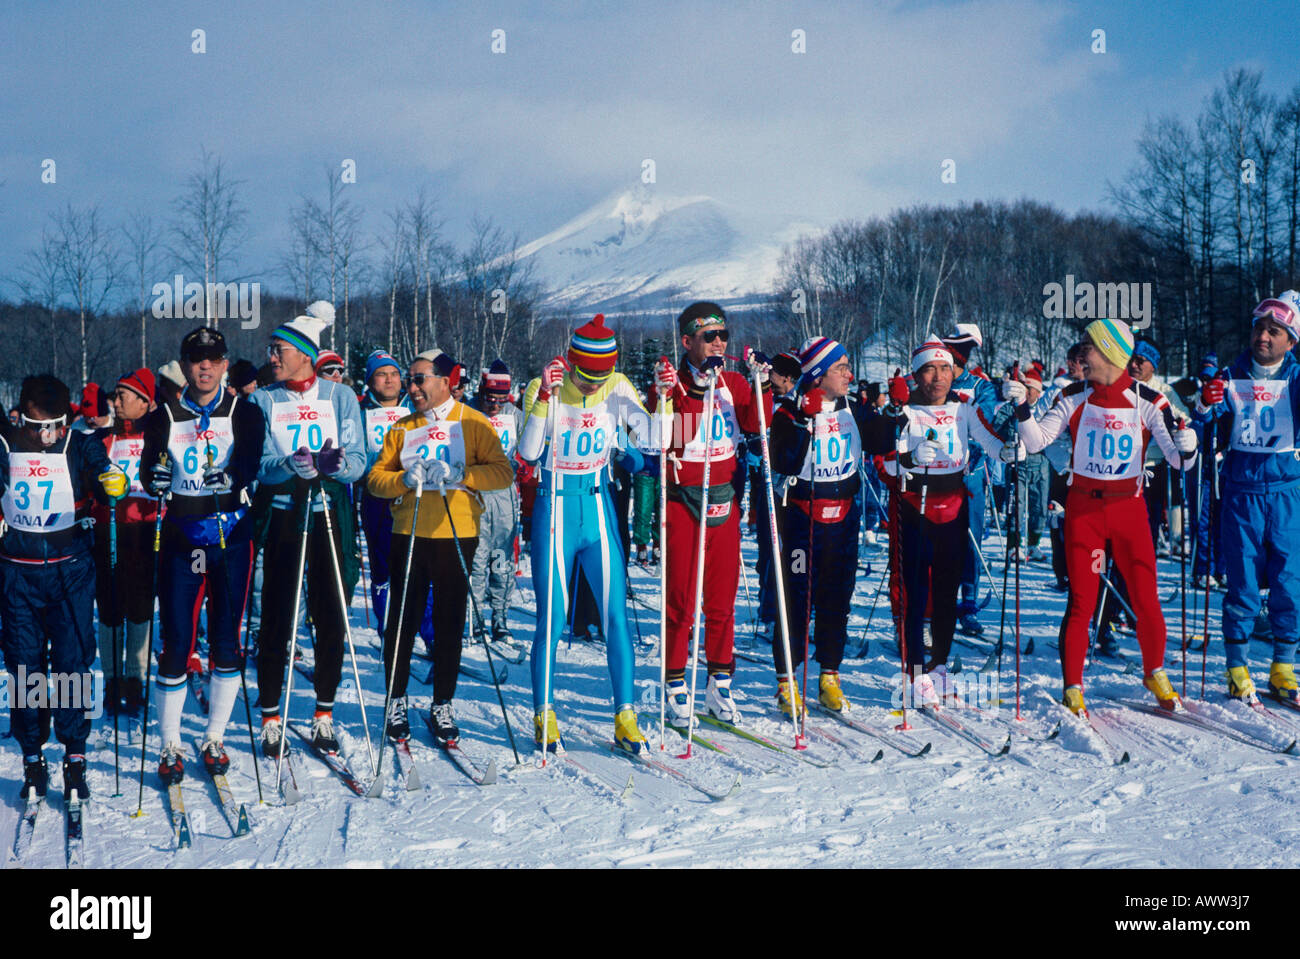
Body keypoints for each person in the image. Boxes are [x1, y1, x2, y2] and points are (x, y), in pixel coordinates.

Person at [1009, 318, 1198, 716]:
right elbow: (1036, 441)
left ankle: (1154, 670)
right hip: (1086, 510)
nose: (1081, 355)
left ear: (1111, 354)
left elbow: (1180, 462)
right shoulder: (1075, 395)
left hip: (1128, 510)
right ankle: (1073, 684)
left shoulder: (1149, 399)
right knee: (1082, 601)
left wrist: (1190, 445)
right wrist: (1022, 409)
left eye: (1088, 348)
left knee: (1146, 598)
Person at [519, 314, 654, 752]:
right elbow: (528, 452)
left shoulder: (618, 385)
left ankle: (625, 717)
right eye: (586, 374)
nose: (594, 383)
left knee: (616, 617)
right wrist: (544, 398)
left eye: (602, 374)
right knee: (553, 620)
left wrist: (665, 399)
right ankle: (544, 713)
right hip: (555, 507)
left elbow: (653, 436)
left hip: (598, 507)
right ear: (572, 362)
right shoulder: (547, 385)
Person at [367, 353, 513, 742]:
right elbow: (375, 480)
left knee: (449, 623)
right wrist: (402, 479)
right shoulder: (402, 427)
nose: (411, 388)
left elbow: (502, 471)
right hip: (409, 533)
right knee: (403, 621)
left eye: (419, 380)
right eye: (409, 381)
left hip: (457, 532)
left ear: (445, 381)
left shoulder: (473, 422)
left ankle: (442, 703)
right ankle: (395, 700)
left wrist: (462, 474)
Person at [139, 327, 265, 781]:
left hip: (231, 537)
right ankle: (170, 743)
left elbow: (251, 463)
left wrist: (231, 477)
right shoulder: (164, 415)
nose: (205, 367)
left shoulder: (245, 412)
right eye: (196, 360)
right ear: (185, 365)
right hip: (182, 538)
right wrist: (153, 478)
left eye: (213, 359)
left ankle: (215, 737)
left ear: (226, 364)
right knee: (176, 643)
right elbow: (150, 466)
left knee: (228, 643)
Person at [250, 301, 367, 757]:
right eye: (270, 350)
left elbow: (358, 461)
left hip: (326, 516)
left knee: (330, 614)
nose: (272, 357)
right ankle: (271, 717)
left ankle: (323, 713)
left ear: (304, 354)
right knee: (277, 617)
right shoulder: (263, 400)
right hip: (282, 517)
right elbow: (260, 466)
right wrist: (289, 464)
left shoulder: (340, 397)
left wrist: (336, 466)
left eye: (279, 350)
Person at [1, 374, 125, 805]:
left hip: (70, 571)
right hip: (19, 574)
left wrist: (112, 480)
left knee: (72, 664)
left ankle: (74, 757)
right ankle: (33, 759)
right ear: (21, 416)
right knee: (24, 667)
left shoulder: (77, 443)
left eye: (56, 425)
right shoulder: (8, 443)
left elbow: (104, 468)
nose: (48, 435)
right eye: (38, 427)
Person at [868, 341, 1015, 702]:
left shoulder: (964, 408)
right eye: (929, 370)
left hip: (953, 505)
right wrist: (908, 458)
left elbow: (993, 444)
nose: (938, 377)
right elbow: (882, 463)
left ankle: (939, 666)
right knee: (914, 593)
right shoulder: (902, 411)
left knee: (947, 593)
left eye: (945, 369)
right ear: (916, 375)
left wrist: (1012, 449)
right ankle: (915, 670)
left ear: (954, 372)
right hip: (914, 505)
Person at [649, 302, 772, 725]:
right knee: (681, 602)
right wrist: (694, 389)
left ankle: (720, 685)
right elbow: (675, 442)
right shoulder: (675, 385)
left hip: (725, 498)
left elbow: (758, 424)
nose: (719, 343)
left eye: (723, 335)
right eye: (709, 337)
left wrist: (763, 385)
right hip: (683, 500)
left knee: (721, 601)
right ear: (688, 342)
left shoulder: (735, 382)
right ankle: (675, 684)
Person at [1195, 291, 1300, 703]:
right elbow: (1206, 417)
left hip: (1287, 491)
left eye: (1275, 332)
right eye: (1260, 328)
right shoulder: (1230, 373)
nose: (1264, 337)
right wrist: (1205, 402)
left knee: (1289, 582)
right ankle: (1237, 669)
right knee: (1241, 584)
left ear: (1291, 340)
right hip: (1242, 492)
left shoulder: (1296, 377)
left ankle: (1283, 668)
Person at [768, 337, 872, 712]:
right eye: (840, 368)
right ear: (816, 375)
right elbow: (785, 462)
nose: (849, 373)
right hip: (802, 519)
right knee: (796, 599)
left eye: (847, 365)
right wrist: (804, 420)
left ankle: (829, 674)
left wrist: (894, 409)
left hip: (843, 518)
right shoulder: (787, 413)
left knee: (836, 598)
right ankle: (786, 680)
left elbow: (883, 438)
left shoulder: (853, 407)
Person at [90, 368, 159, 732]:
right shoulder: (102, 439)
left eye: (123, 396)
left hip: (146, 532)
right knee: (109, 605)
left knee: (140, 605)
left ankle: (135, 677)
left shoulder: (157, 434)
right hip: (108, 531)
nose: (115, 403)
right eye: (115, 396)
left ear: (145, 401)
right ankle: (113, 677)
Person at [941, 323, 998, 637]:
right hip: (937, 477)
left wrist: (972, 456)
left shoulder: (979, 387)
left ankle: (969, 603)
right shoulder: (932, 385)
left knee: (970, 542)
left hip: (970, 476)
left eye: (955, 357)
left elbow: (986, 425)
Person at [468, 360, 525, 648]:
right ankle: (475, 620)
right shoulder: (468, 411)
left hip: (504, 496)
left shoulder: (514, 415)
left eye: (502, 400)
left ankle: (500, 619)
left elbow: (529, 449)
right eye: (491, 399)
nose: (495, 406)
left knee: (502, 559)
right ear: (482, 392)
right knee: (477, 561)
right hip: (475, 494)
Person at [357, 349, 412, 631]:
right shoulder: (359, 411)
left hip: (412, 494)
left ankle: (427, 633)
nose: (389, 380)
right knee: (382, 566)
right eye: (381, 374)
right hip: (376, 495)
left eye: (394, 374)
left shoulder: (415, 406)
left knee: (416, 564)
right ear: (370, 381)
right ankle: (387, 627)